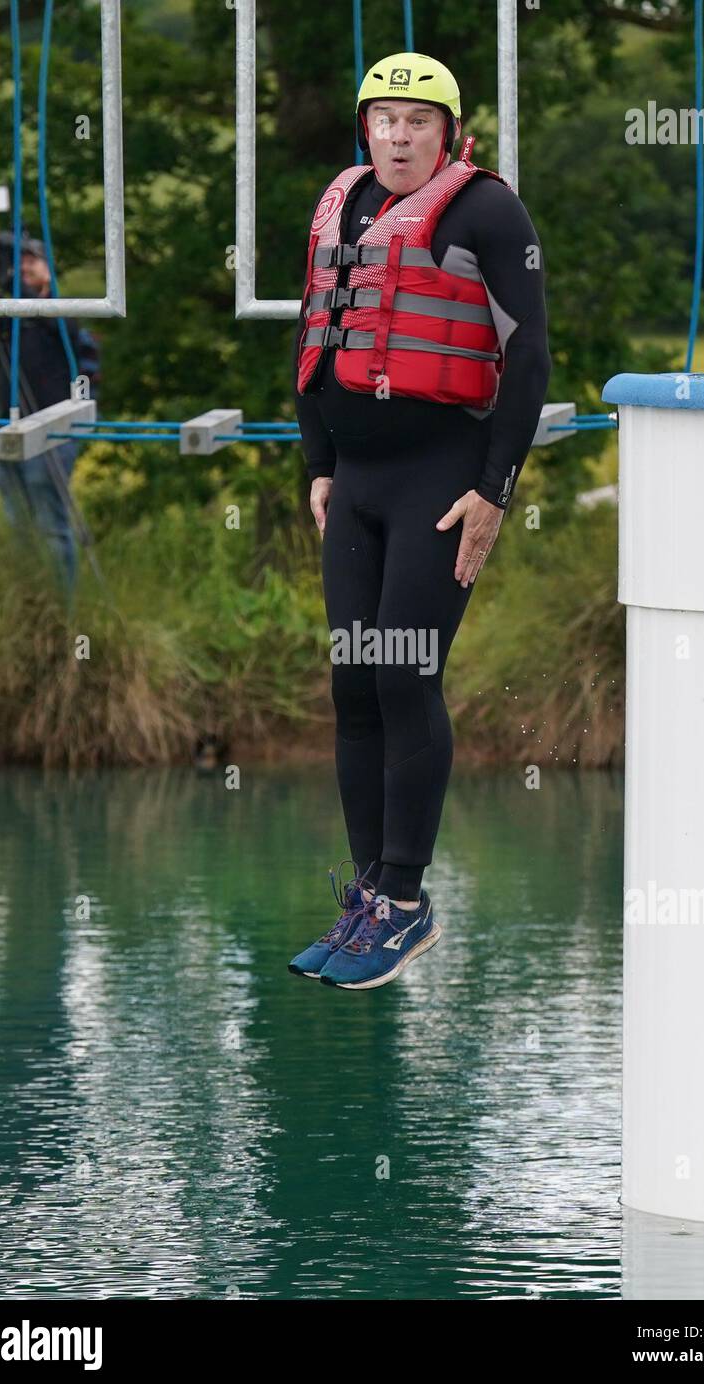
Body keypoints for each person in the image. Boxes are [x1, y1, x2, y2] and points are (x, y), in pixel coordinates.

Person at [288, 52, 552, 989]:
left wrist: (495, 491)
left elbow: (528, 362)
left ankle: (406, 901)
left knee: (405, 678)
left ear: (449, 130)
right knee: (354, 687)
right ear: (366, 127)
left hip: (440, 478)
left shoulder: (486, 209)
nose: (399, 137)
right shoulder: (343, 202)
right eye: (384, 120)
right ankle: (365, 901)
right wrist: (318, 463)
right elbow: (318, 329)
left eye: (417, 121)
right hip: (356, 481)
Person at [0, 240, 96, 588]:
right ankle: (31, 606)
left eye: (34, 262)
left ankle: (63, 612)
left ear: (49, 272)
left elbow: (68, 338)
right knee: (21, 527)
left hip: (53, 432)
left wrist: (14, 293)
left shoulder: (58, 312)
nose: (26, 269)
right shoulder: (8, 317)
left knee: (51, 526)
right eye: (20, 264)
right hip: (8, 430)